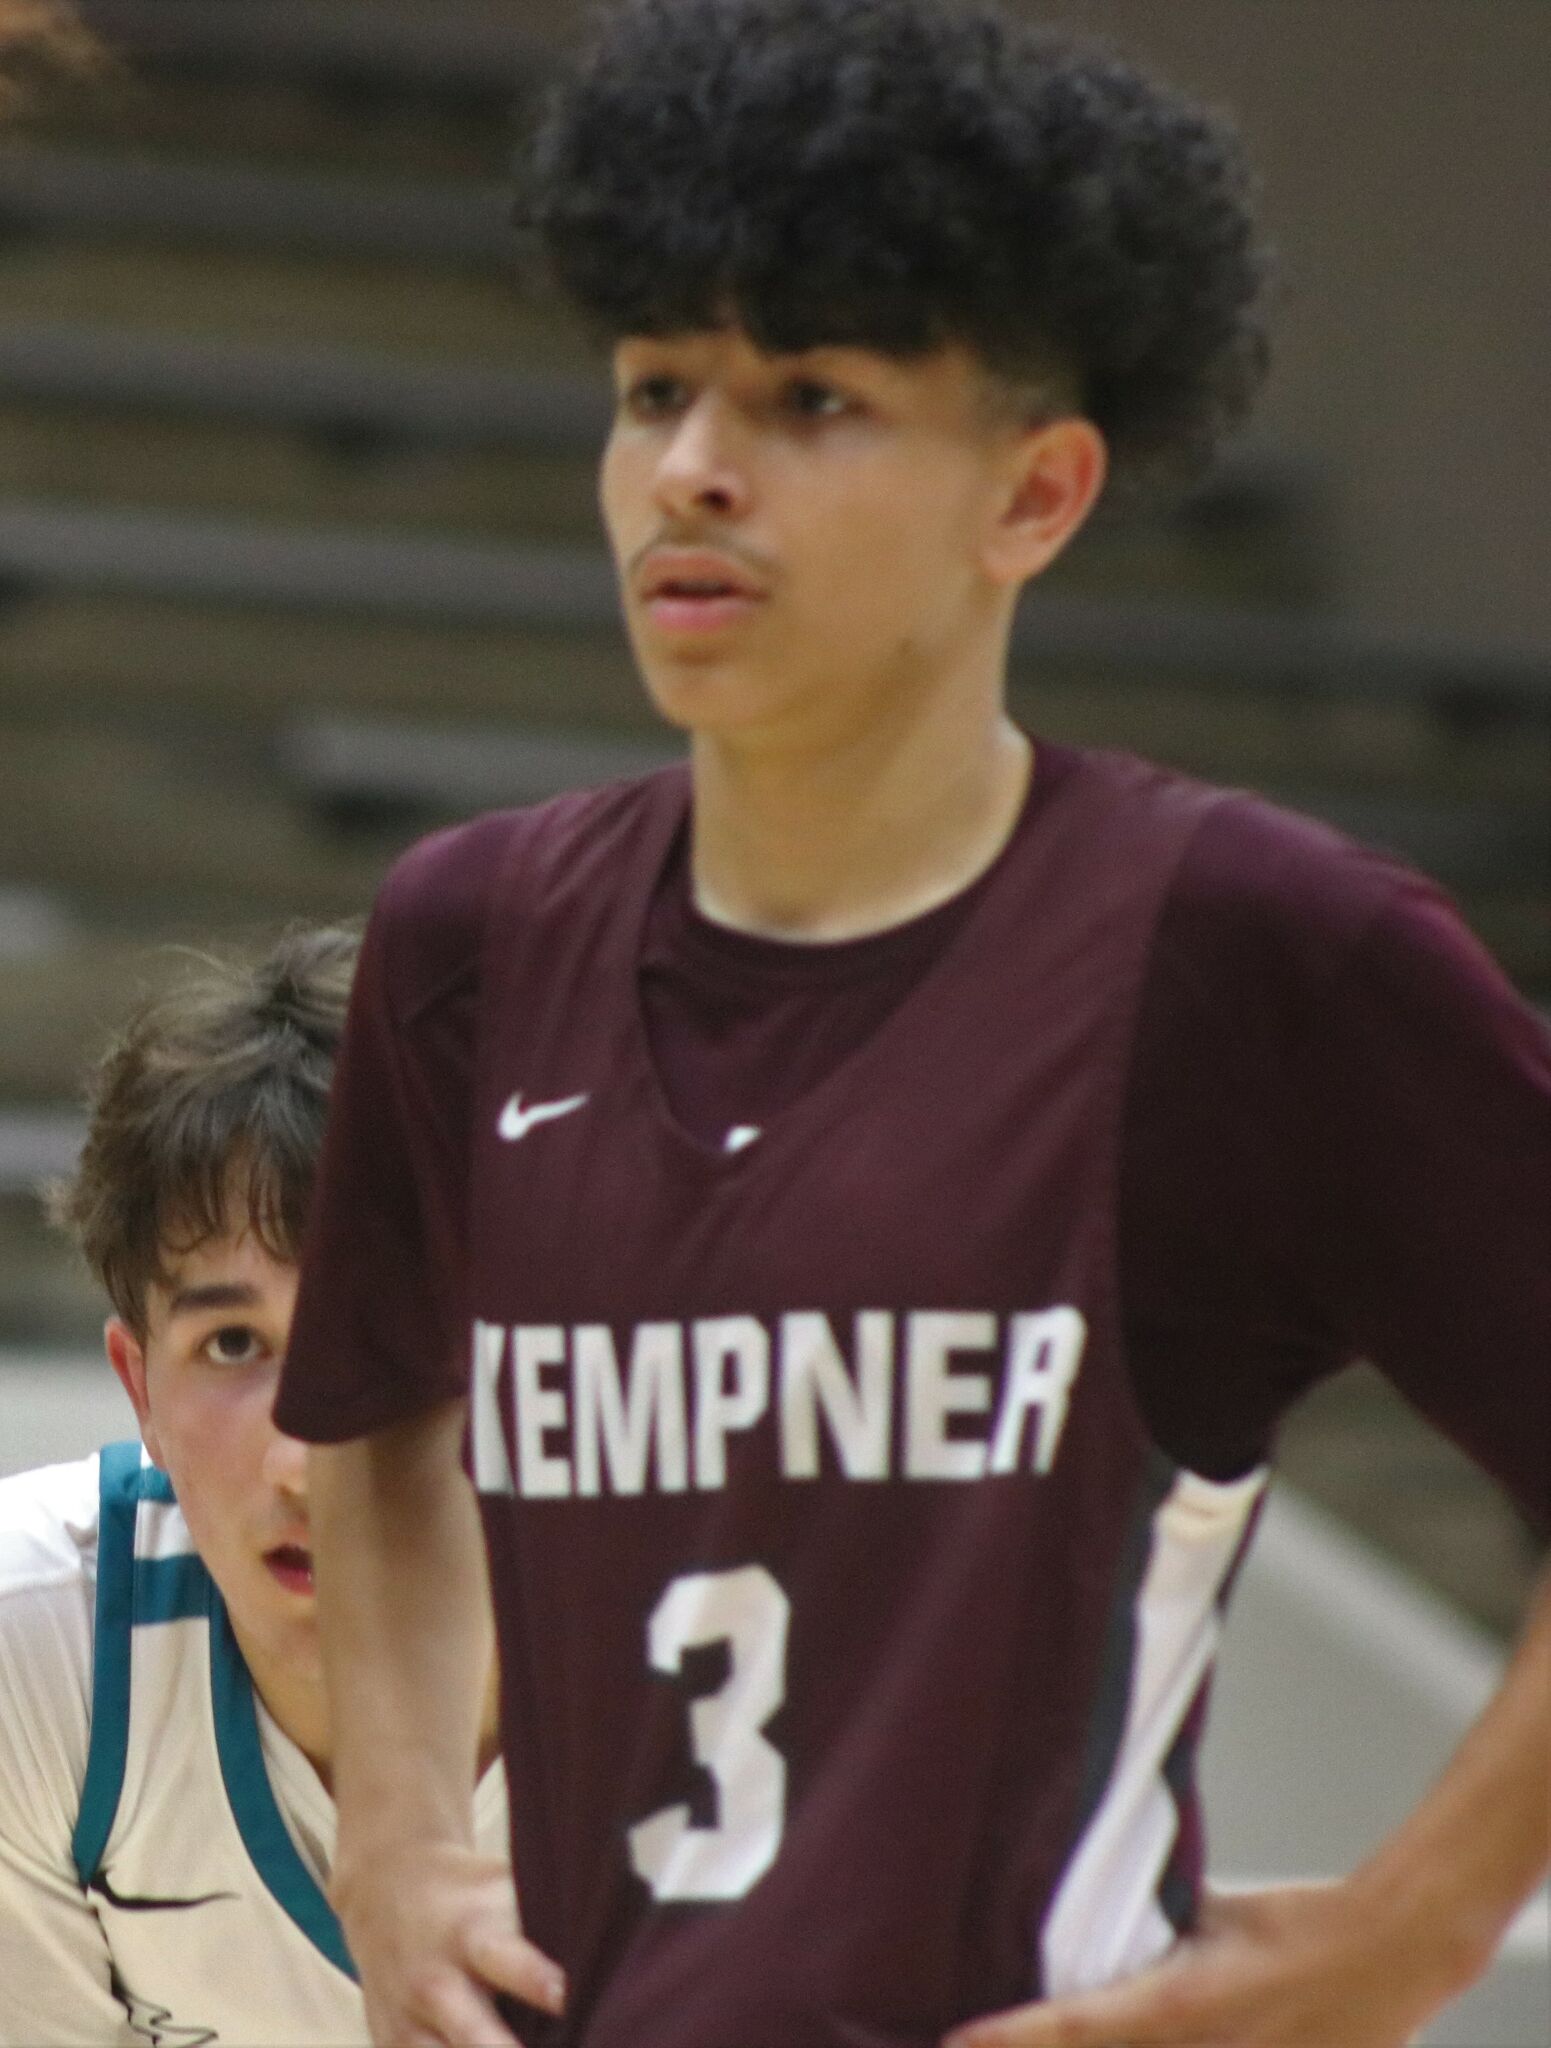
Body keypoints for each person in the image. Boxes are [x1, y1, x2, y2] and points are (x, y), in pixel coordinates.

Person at [274, 3, 1551, 2044]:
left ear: (1033, 494)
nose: (690, 468)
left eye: (810, 397)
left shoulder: (1252, 951)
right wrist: (400, 1839)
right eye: (654, 387)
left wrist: (1412, 1929)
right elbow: (374, 1424)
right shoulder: (470, 940)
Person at [0, 930, 510, 2045]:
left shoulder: (728, 1630)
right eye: (235, 1342)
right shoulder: (32, 1650)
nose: (309, 1456)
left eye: (395, 1330)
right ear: (139, 1385)